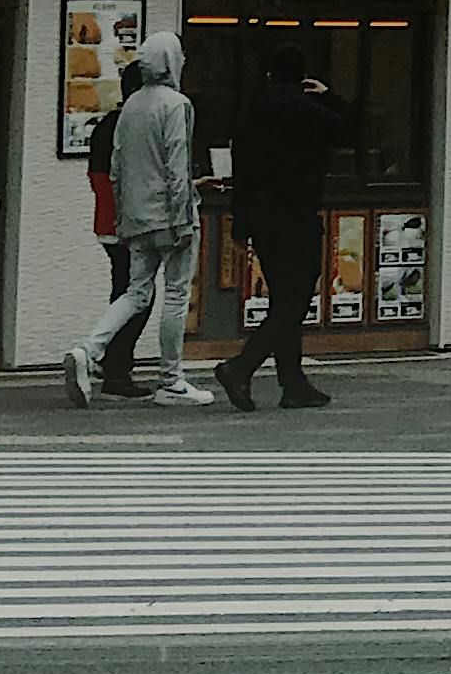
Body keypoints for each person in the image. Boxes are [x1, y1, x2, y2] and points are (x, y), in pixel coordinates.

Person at [64, 33, 214, 407]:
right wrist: (182, 220)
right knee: (176, 295)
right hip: (171, 216)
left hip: (135, 218)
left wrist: (126, 213)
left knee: (136, 291)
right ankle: (171, 379)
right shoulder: (176, 105)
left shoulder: (130, 107)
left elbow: (116, 166)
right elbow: (177, 166)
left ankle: (88, 349)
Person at [217, 46, 352, 413]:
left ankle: (293, 383)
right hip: (296, 213)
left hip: (260, 217)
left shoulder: (251, 112)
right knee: (295, 300)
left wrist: (240, 224)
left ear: (268, 75)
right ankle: (241, 366)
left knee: (282, 299)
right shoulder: (306, 110)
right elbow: (350, 132)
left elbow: (241, 169)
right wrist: (331, 97)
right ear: (301, 76)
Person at [83, 86, 141, 396]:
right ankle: (116, 367)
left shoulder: (105, 124)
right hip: (128, 221)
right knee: (138, 295)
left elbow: (95, 175)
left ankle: (113, 362)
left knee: (122, 289)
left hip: (106, 220)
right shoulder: (132, 125)